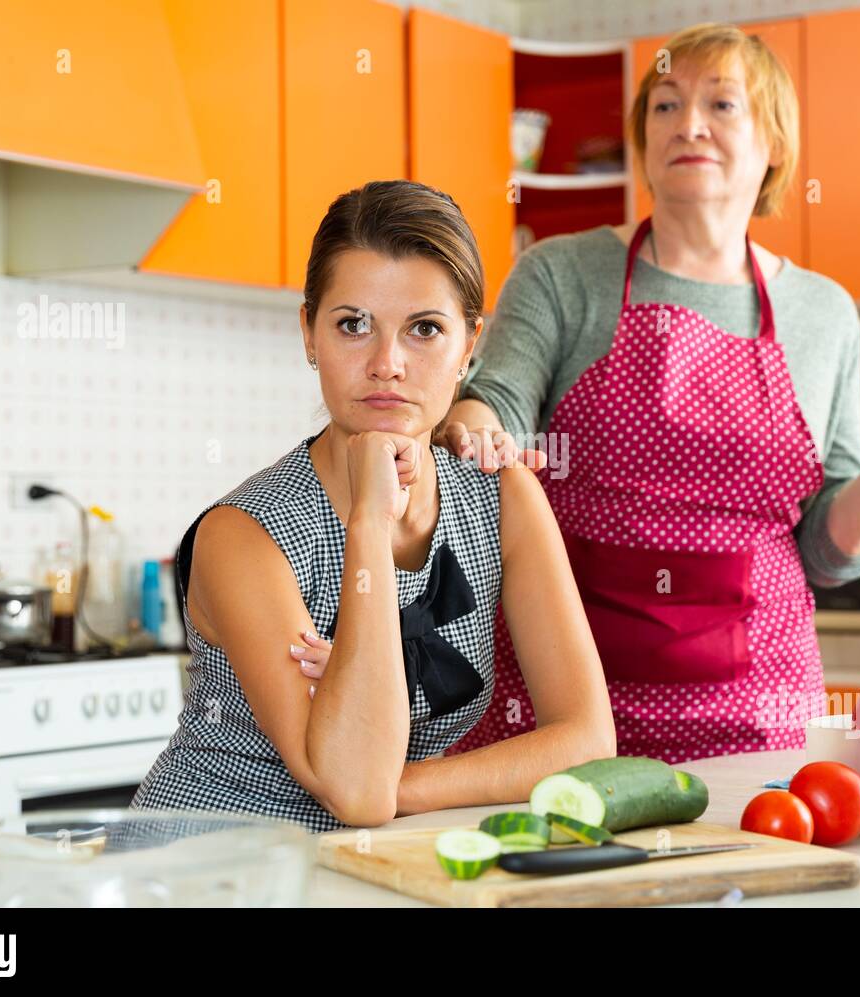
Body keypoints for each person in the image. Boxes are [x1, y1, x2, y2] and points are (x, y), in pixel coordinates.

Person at [418, 22, 860, 763]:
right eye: (665, 105)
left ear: (775, 142)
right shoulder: (562, 273)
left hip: (756, 709)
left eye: (722, 105)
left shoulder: (823, 313)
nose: (689, 124)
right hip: (564, 699)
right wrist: (469, 425)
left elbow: (827, 551)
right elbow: (498, 397)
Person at [132, 180, 615, 832]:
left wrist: (401, 783)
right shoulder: (244, 536)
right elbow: (357, 792)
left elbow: (586, 739)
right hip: (206, 870)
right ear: (309, 333)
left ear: (470, 343)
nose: (387, 363)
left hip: (366, 867)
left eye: (424, 329)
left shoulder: (501, 499)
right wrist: (369, 519)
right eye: (353, 324)